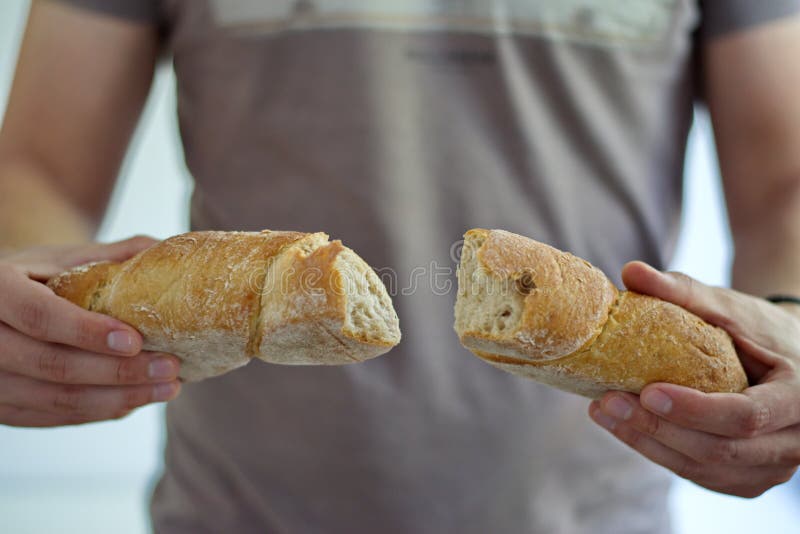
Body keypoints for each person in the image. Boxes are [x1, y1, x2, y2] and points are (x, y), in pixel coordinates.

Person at [1, 1, 799, 532]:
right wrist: (24, 311)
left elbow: (783, 190)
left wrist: (790, 320)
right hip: (239, 508)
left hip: (596, 507)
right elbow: (40, 169)